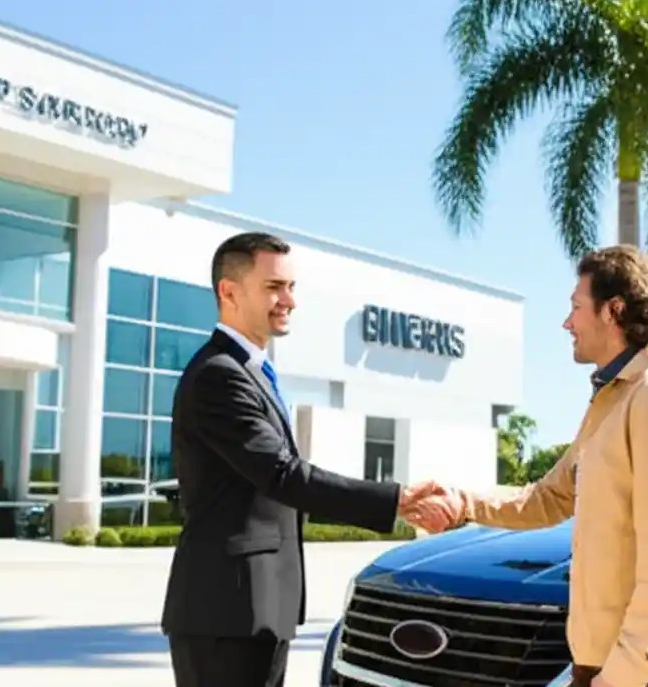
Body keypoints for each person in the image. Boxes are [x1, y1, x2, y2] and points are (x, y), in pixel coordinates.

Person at [408, 245, 648, 687]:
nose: (566, 323)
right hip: (608, 661)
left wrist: (621, 676)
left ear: (613, 310)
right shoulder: (612, 401)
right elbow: (549, 497)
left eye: (576, 307)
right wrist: (463, 503)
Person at [160, 231, 451, 687]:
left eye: (291, 287)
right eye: (274, 287)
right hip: (225, 614)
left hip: (256, 609)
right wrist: (394, 500)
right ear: (229, 292)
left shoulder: (247, 373)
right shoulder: (219, 376)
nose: (289, 300)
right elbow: (282, 474)